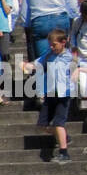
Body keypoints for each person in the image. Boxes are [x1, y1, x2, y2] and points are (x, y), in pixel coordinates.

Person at [24, 28, 74, 163]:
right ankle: (65, 136)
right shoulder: (48, 55)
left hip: (63, 95)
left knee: (58, 122)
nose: (52, 47)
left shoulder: (69, 57)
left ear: (63, 42)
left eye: (54, 45)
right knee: (43, 126)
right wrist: (26, 66)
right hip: (50, 93)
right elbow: (36, 64)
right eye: (50, 45)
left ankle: (64, 153)